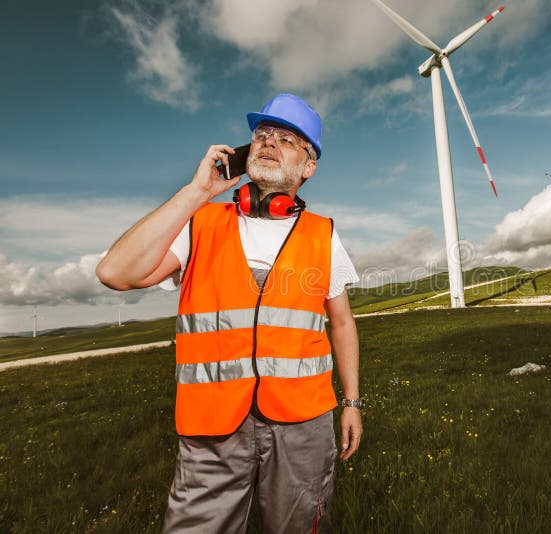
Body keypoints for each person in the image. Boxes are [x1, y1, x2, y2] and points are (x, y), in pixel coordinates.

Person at [96, 93, 362, 533]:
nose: (268, 142)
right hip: (212, 425)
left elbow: (342, 322)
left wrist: (351, 402)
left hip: (303, 422)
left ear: (308, 167)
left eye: (287, 139)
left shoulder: (323, 235)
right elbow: (115, 273)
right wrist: (195, 193)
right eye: (261, 134)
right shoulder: (200, 222)